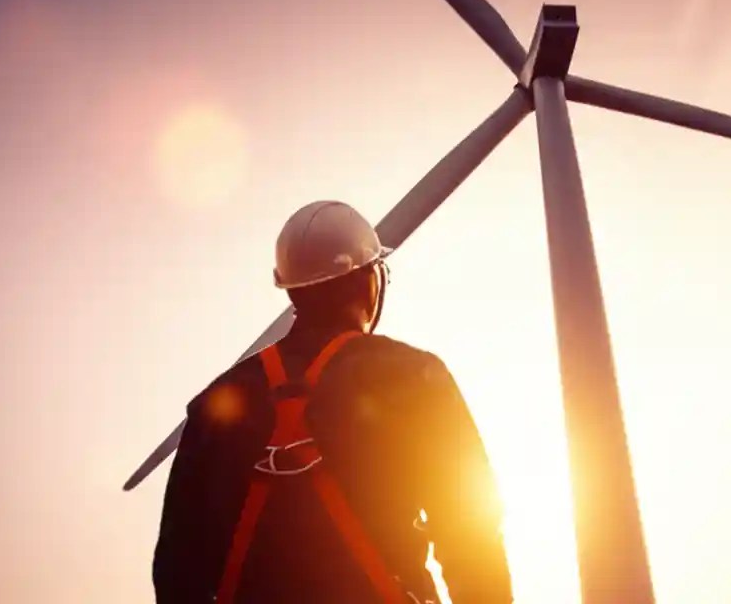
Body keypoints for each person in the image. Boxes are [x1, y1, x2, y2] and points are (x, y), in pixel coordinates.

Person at [153, 201, 512, 604]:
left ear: (289, 289)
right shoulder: (413, 377)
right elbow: (471, 532)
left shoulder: (216, 404)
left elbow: (176, 568)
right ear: (369, 281)